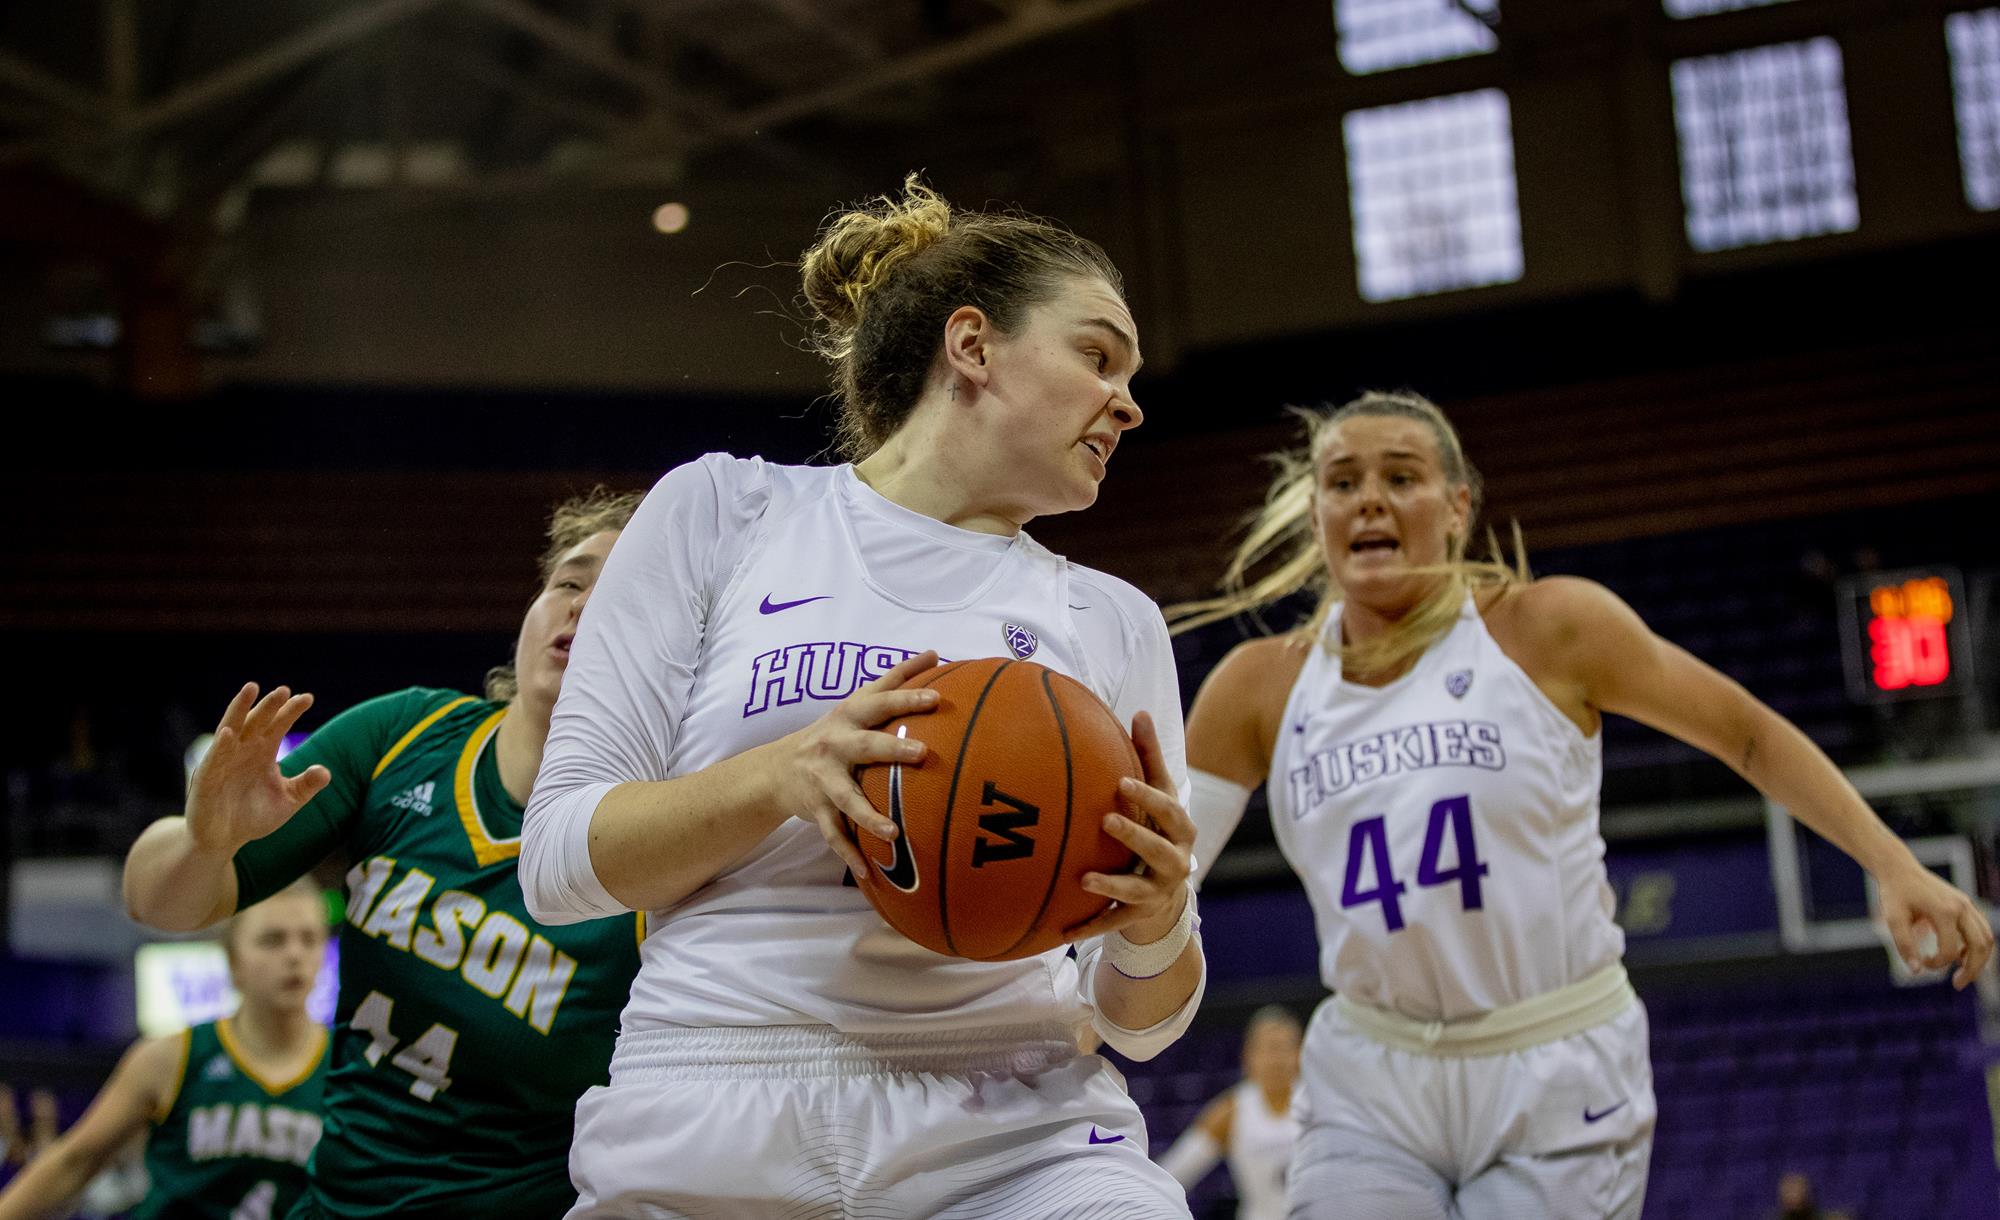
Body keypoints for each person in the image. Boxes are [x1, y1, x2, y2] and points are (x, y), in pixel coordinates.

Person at [520, 176, 1205, 1218]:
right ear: (970, 346)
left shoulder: (1112, 619)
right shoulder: (725, 509)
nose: (1128, 400)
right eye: (1096, 355)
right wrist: (781, 774)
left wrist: (1155, 920)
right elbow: (561, 861)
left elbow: (1145, 1021)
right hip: (716, 1088)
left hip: (1013, 1113)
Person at [1174, 391, 1993, 1219]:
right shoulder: (1258, 687)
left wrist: (1892, 863)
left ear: (1458, 507)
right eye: (1344, 482)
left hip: (1553, 1059)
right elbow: (1163, 874)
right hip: (1372, 1066)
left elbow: (1746, 734)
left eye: (1402, 476)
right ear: (1318, 515)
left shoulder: (1550, 627)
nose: (1371, 498)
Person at [121, 490, 645, 1220]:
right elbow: (156, 902)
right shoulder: (406, 735)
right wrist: (207, 839)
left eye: (620, 593)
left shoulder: (662, 839)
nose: (581, 606)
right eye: (568, 582)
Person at [0, 885, 330, 1220]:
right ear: (233, 960)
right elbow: (74, 1162)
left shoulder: (348, 1066)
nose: (294, 955)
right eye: (273, 940)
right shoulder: (174, 1056)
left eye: (309, 939)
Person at [1156, 1006, 1302, 1220]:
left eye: (1284, 1048)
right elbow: (1171, 1174)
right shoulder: (1231, 1111)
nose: (1276, 1060)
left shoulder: (1322, 1104)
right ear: (1248, 1056)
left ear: (1300, 1053)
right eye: (1269, 1049)